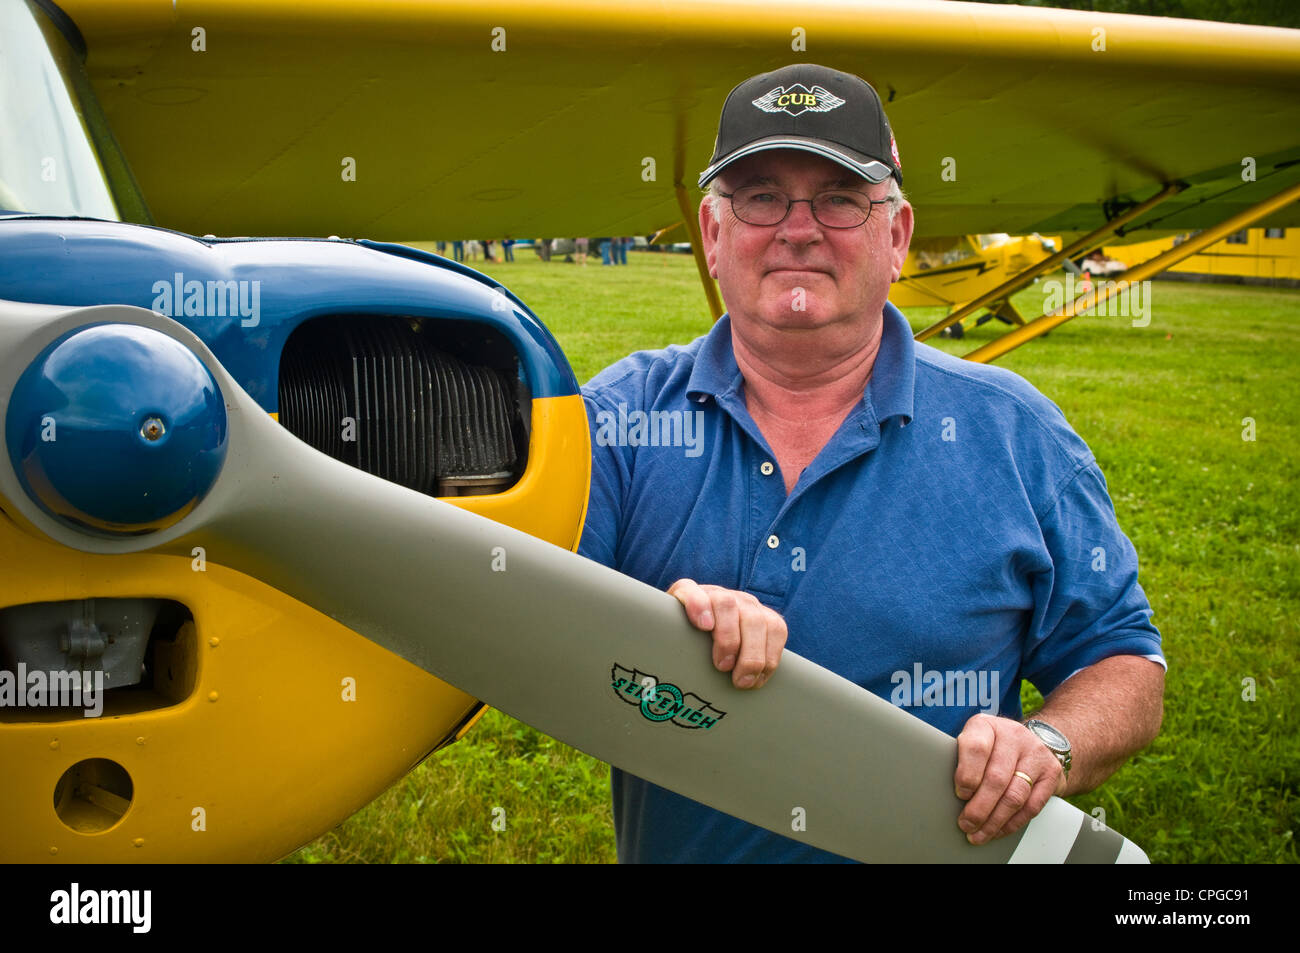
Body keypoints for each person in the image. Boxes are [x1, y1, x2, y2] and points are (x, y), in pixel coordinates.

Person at [577, 63, 1165, 863]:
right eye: (759, 196)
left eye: (841, 198)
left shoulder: (1017, 430)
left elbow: (1123, 659)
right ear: (712, 237)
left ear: (898, 236)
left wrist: (1049, 745)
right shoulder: (618, 419)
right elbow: (517, 624)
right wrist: (656, 631)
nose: (798, 227)